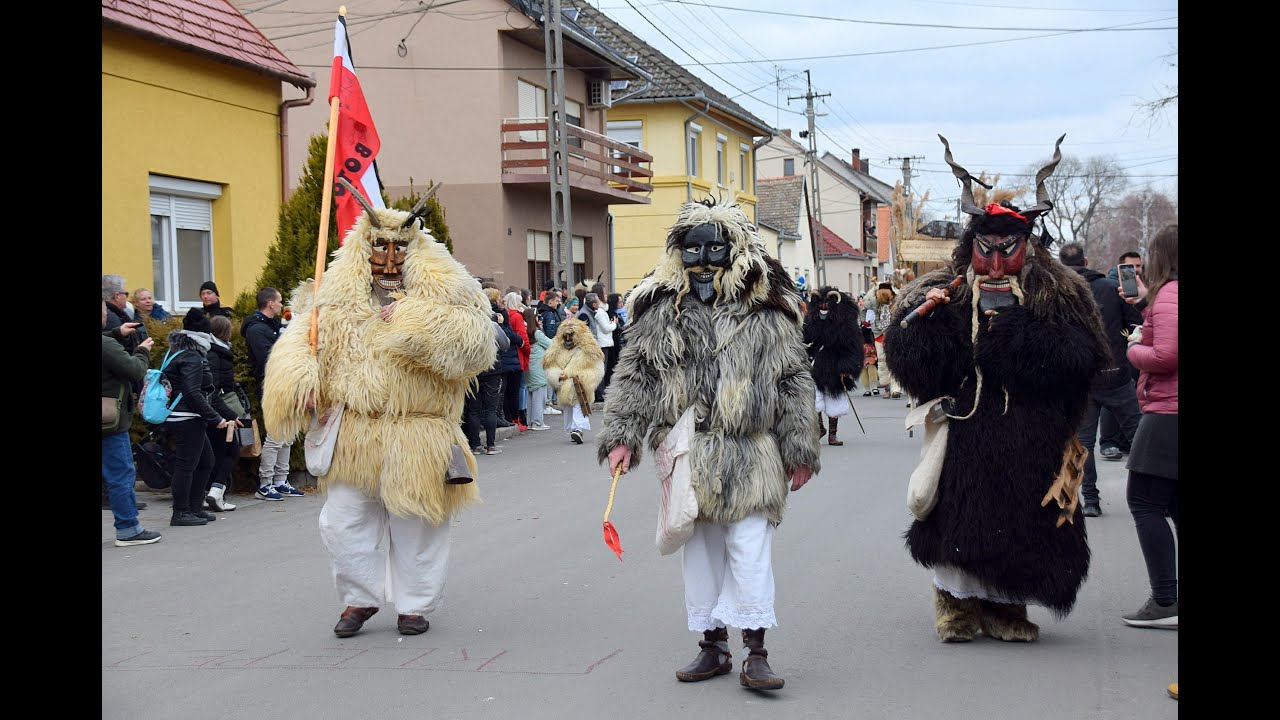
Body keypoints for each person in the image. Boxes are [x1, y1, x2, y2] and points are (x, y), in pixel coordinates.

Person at [883, 136, 1109, 643]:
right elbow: (908, 360)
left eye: (1008, 250)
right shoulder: (943, 290)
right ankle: (957, 604)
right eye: (985, 249)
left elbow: (1081, 360)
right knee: (958, 520)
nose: (995, 262)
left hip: (1030, 434)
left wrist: (1012, 336)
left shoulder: (1060, 293)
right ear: (972, 246)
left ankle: (1008, 607)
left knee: (1020, 522)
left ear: (1027, 247)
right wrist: (931, 329)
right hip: (965, 430)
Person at [597, 198, 820, 691]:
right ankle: (712, 647)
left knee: (749, 549)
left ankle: (756, 651)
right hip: (688, 453)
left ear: (734, 251)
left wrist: (800, 447)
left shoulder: (768, 309)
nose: (702, 262)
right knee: (699, 553)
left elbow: (793, 380)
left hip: (751, 453)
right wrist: (622, 437)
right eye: (691, 251)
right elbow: (636, 375)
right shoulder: (661, 312)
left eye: (713, 250)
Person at [262, 192, 495, 638]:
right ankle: (359, 599)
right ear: (363, 247)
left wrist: (411, 320)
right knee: (344, 519)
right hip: (354, 430)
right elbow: (299, 343)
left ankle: (414, 604)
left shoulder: (451, 295)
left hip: (420, 430)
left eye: (399, 246)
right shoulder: (331, 299)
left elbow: (478, 345)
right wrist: (299, 383)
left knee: (420, 522)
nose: (388, 257)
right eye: (379, 246)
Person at [1118, 224, 1178, 630]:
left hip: (1167, 412)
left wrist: (1133, 349)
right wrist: (1145, 305)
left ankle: (1165, 600)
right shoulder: (1166, 297)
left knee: (1143, 500)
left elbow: (1166, 355)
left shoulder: (1170, 294)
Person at [1058, 242, 1143, 518]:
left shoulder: (1060, 292)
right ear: (1086, 260)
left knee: (1083, 445)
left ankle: (1090, 501)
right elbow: (1133, 325)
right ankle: (1154, 496)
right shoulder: (1110, 288)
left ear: (1062, 263)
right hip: (1117, 375)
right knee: (1140, 437)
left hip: (1080, 382)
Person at [163, 309, 243, 527]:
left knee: (205, 461)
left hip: (188, 415)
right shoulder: (192, 355)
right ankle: (180, 512)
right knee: (186, 465)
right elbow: (192, 392)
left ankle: (194, 508)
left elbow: (208, 391)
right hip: (185, 417)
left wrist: (229, 415)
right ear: (204, 335)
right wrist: (215, 418)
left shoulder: (182, 351)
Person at [103, 299, 162, 547]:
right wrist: (143, 351)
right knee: (121, 473)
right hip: (109, 421)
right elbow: (135, 370)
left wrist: (117, 332)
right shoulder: (105, 345)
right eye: (104, 311)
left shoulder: (107, 340)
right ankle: (128, 529)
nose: (106, 315)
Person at [241, 287, 301, 501]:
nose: (281, 305)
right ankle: (265, 483)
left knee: (288, 436)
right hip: (270, 386)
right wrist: (284, 339)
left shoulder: (272, 325)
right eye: (279, 300)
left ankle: (281, 480)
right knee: (276, 436)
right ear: (270, 303)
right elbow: (267, 358)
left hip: (285, 383)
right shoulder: (257, 329)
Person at [1099, 250, 1145, 459]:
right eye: (1131, 266)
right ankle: (1110, 442)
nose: (1136, 270)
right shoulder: (1109, 287)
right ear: (1120, 267)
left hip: (1133, 347)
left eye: (1139, 266)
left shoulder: (1141, 288)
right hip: (1116, 352)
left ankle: (1123, 442)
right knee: (1113, 399)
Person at [804, 286, 862, 446]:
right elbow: (805, 338)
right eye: (820, 304)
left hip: (836, 366)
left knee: (834, 399)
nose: (823, 307)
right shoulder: (811, 321)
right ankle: (820, 428)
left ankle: (832, 435)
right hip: (815, 365)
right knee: (814, 398)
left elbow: (854, 347)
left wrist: (847, 368)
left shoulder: (846, 324)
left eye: (826, 304)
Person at [202, 315, 242, 512]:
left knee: (215, 453)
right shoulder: (218, 354)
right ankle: (216, 492)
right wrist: (230, 415)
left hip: (212, 411)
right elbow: (214, 390)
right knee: (231, 450)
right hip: (218, 412)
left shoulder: (210, 351)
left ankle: (209, 492)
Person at [542, 317, 603, 445]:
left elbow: (596, 368)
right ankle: (573, 429)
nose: (568, 339)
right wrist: (557, 375)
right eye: (566, 336)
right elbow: (549, 364)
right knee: (568, 408)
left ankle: (578, 429)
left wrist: (579, 376)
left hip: (579, 384)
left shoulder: (589, 349)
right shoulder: (556, 348)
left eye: (571, 335)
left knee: (578, 404)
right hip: (563, 384)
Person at [465, 304, 514, 455]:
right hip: (492, 369)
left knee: (473, 409)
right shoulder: (492, 326)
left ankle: (475, 445)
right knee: (490, 408)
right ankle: (491, 445)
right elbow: (505, 345)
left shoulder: (465, 326)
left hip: (472, 370)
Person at [863, 282, 902, 399]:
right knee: (882, 362)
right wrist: (867, 321)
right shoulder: (873, 302)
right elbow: (864, 310)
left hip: (893, 335)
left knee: (895, 361)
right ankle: (886, 387)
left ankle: (896, 388)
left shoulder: (897, 302)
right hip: (879, 335)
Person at [503, 291, 530, 430]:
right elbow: (523, 338)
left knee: (509, 391)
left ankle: (512, 417)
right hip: (517, 356)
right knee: (518, 389)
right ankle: (517, 418)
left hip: (507, 356)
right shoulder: (517, 317)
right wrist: (527, 351)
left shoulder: (506, 316)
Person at [522, 307, 553, 431]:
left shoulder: (526, 332)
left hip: (529, 366)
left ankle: (530, 421)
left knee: (531, 393)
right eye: (537, 317)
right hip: (538, 367)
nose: (539, 319)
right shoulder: (537, 333)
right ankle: (537, 422)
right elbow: (550, 344)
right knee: (540, 393)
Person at [103, 274, 149, 354]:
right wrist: (142, 351)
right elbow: (120, 355)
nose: (127, 298)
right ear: (117, 296)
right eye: (126, 294)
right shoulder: (111, 318)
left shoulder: (116, 313)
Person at [598, 292, 625, 403]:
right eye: (619, 301)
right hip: (611, 343)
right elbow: (612, 328)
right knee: (609, 367)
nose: (621, 303)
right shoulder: (610, 313)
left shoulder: (618, 313)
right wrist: (616, 325)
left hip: (615, 343)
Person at [590, 293, 617, 403]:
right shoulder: (600, 313)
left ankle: (601, 392)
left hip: (604, 343)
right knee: (602, 369)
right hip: (603, 343)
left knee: (603, 369)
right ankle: (600, 393)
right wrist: (614, 324)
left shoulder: (601, 312)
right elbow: (606, 328)